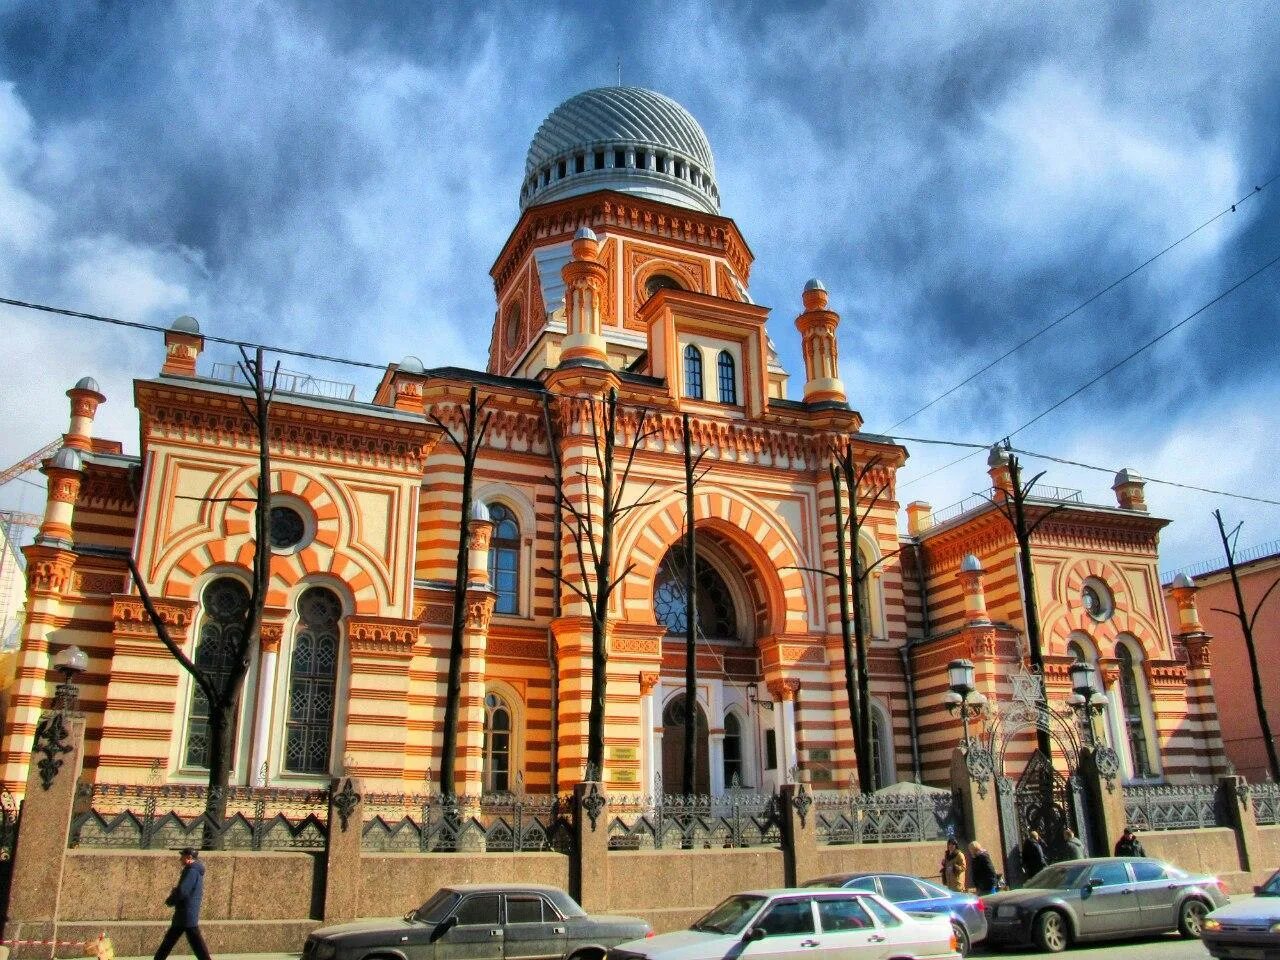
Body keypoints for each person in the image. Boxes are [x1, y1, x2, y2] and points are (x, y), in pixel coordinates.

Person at [154, 847, 213, 960]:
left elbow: (183, 890)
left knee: (191, 942)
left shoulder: (191, 871)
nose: (180, 859)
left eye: (182, 856)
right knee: (173, 941)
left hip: (186, 912)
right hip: (186, 913)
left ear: (189, 857)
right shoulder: (194, 870)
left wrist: (171, 900)